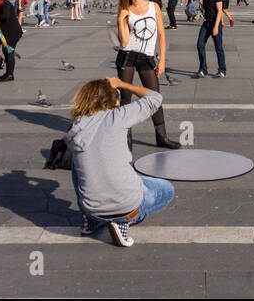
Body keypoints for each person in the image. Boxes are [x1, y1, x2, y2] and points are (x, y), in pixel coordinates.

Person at [66, 77, 175, 247]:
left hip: (91, 208)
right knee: (166, 189)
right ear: (111, 99)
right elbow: (155, 98)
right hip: (125, 206)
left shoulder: (77, 126)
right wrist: (122, 84)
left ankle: (90, 220)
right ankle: (124, 221)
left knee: (78, 164)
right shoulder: (118, 116)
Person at [116, 0, 179, 146]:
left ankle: (162, 137)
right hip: (127, 55)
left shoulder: (154, 7)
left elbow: (161, 34)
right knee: (125, 99)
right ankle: (125, 138)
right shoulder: (125, 10)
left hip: (147, 56)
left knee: (154, 97)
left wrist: (162, 60)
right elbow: (123, 42)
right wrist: (120, 19)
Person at [195, 0, 227, 79]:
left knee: (218, 47)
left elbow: (219, 11)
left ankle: (222, 69)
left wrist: (216, 26)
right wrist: (202, 3)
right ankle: (203, 69)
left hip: (214, 23)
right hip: (206, 22)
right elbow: (206, 8)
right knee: (200, 44)